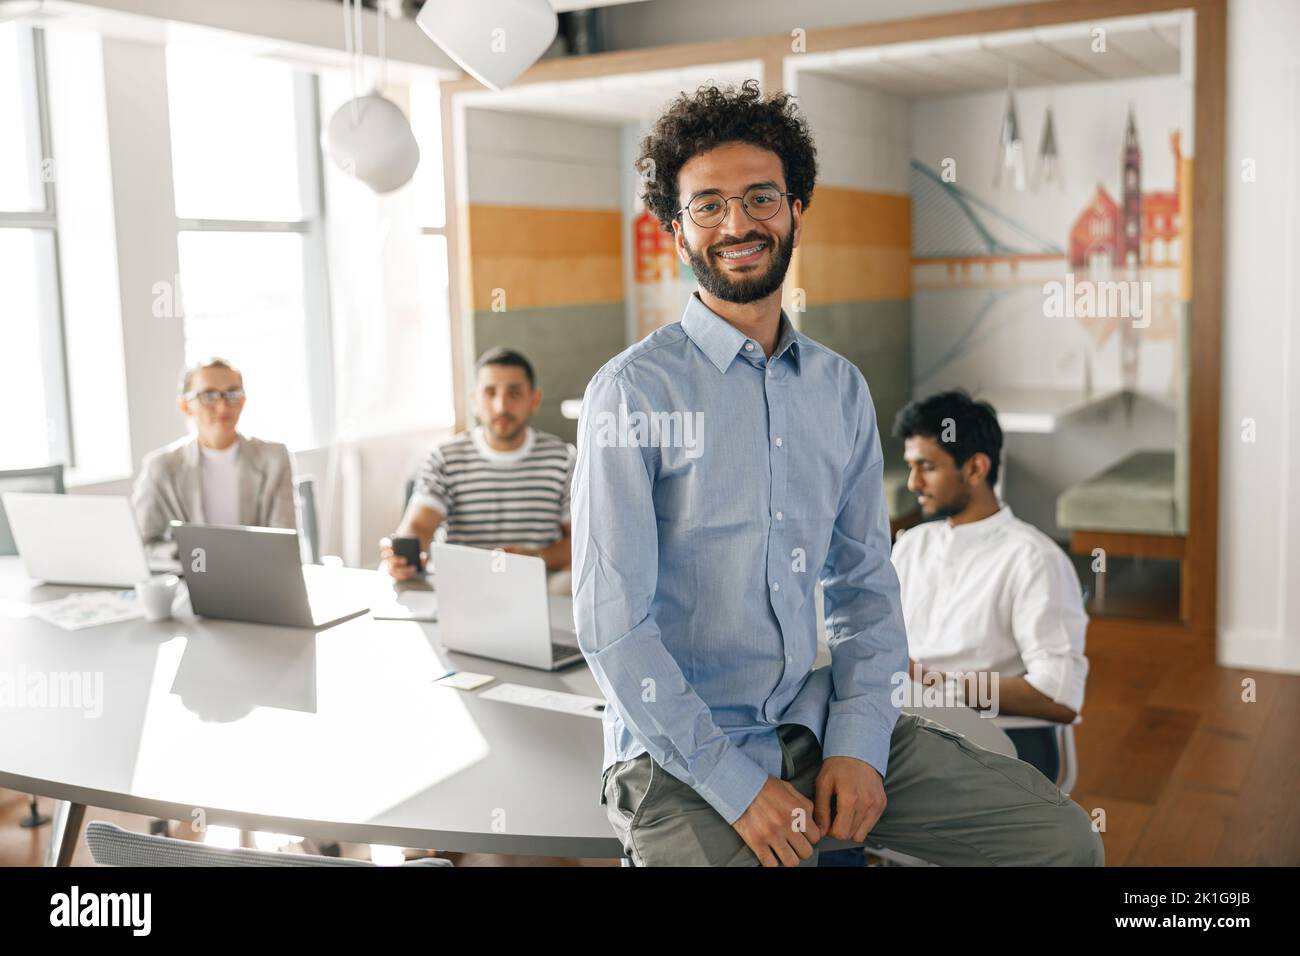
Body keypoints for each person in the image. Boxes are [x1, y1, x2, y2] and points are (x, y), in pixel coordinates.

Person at [571, 80, 1103, 867]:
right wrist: (738, 786)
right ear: (676, 233)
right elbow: (612, 626)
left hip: (817, 725)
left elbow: (863, 587)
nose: (738, 223)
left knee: (1061, 843)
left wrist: (858, 741)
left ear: (794, 210)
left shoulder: (840, 389)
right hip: (680, 757)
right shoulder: (630, 393)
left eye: (760, 197)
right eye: (709, 205)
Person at [890, 390, 1089, 783]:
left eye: (927, 466)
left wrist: (938, 685)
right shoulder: (912, 544)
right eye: (910, 466)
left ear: (976, 469)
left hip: (995, 741)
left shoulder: (1034, 559)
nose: (913, 482)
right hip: (905, 727)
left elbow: (1059, 696)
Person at [382, 348, 574, 583]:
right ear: (474, 401)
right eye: (490, 393)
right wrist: (403, 556)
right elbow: (419, 525)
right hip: (461, 586)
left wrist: (536, 557)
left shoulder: (563, 459)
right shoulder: (445, 458)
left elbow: (581, 540)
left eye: (514, 394)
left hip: (538, 585)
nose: (501, 406)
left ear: (533, 400)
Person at [132, 357, 295, 559]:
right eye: (209, 395)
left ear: (243, 400)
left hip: (259, 582)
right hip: (190, 582)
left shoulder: (275, 459)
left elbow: (284, 542)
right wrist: (189, 554)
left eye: (232, 394)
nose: (223, 407)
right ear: (185, 405)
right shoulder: (161, 467)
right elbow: (142, 546)